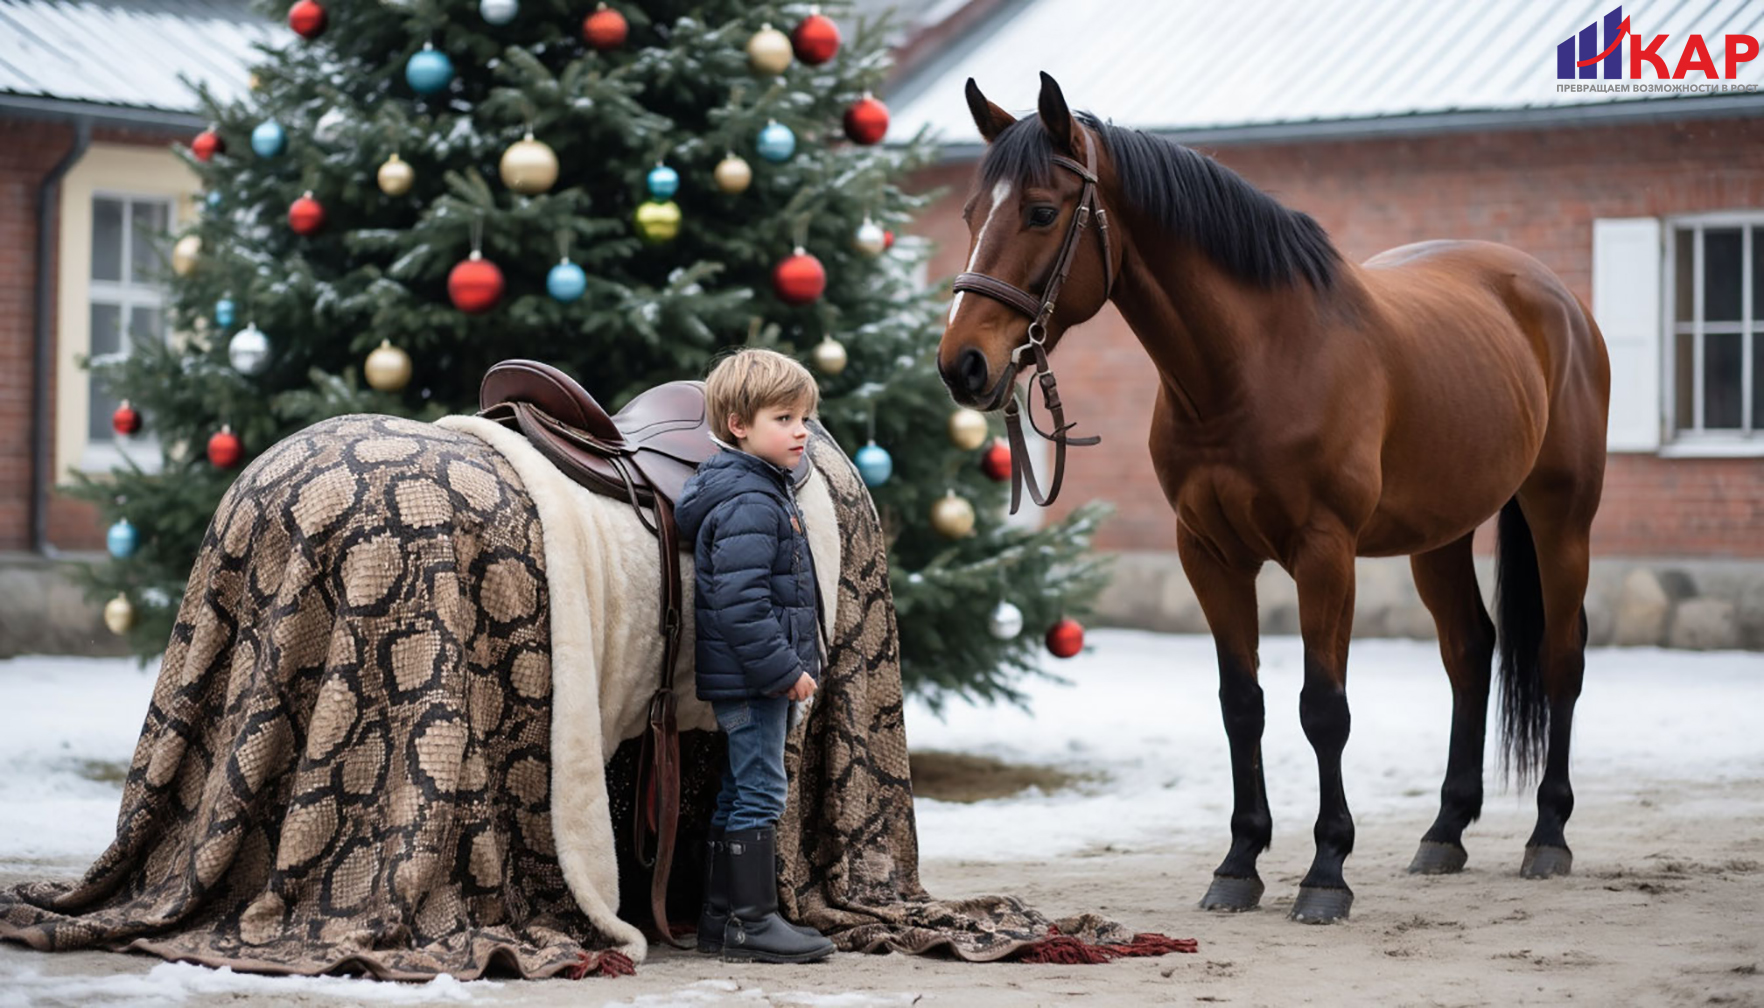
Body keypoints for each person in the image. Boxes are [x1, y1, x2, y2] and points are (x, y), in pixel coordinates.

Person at [673, 348, 835, 964]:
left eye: (805, 418)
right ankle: (753, 922)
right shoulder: (752, 500)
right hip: (755, 679)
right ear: (739, 425)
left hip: (747, 679)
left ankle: (721, 920)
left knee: (741, 789)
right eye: (784, 418)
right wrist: (785, 671)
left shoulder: (757, 487)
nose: (801, 431)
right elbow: (740, 603)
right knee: (762, 791)